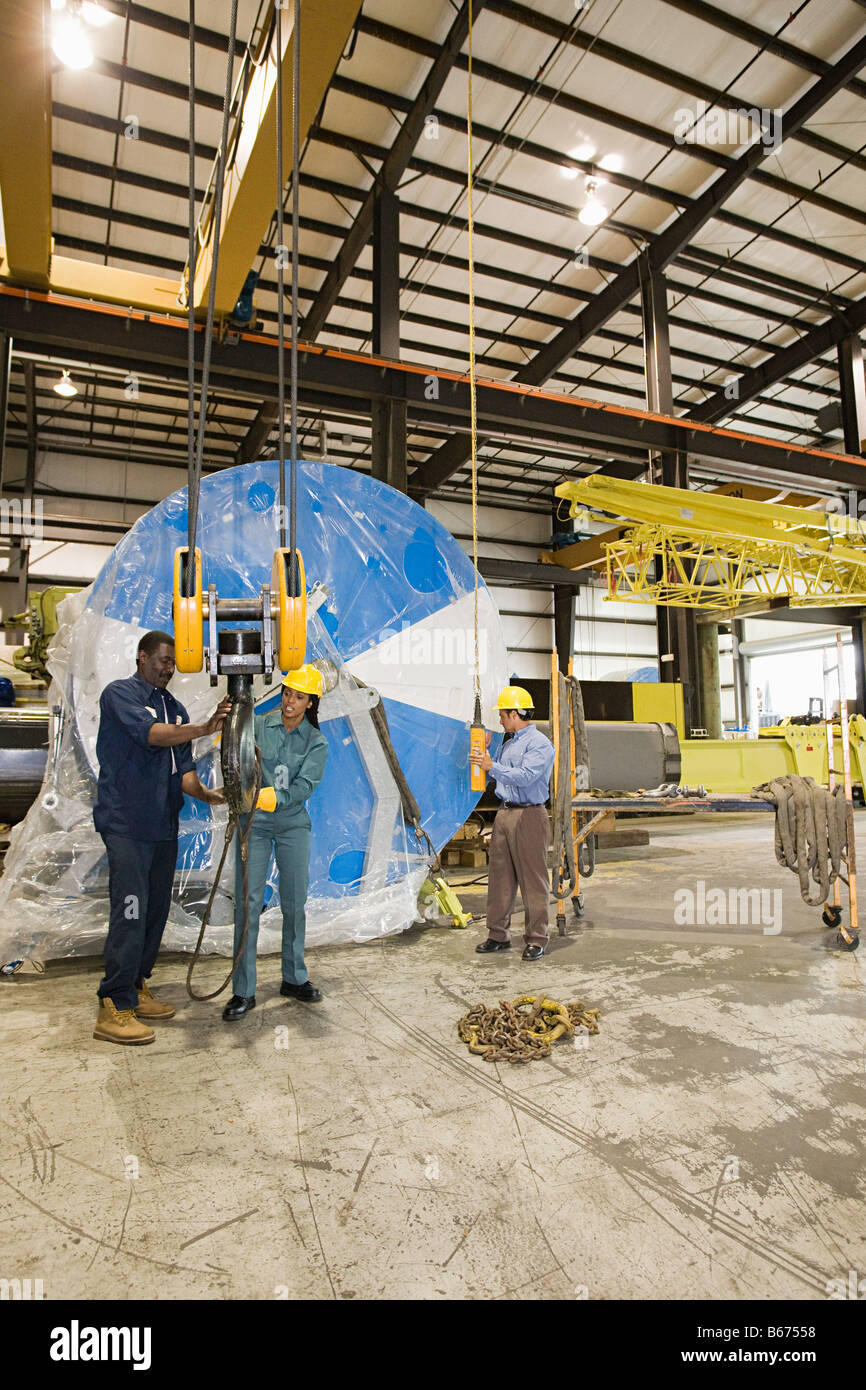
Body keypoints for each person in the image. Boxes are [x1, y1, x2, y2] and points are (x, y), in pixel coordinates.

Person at [93, 630, 230, 1045]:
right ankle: (112, 1005)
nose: (168, 669)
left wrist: (208, 795)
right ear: (142, 657)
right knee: (131, 911)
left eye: (173, 663)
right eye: (163, 661)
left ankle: (135, 987)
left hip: (161, 827)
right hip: (127, 825)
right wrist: (205, 728)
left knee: (153, 915)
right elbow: (153, 735)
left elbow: (184, 773)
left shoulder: (174, 707)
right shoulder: (121, 695)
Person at [222, 664, 328, 1020]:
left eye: (299, 697)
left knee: (294, 900)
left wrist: (277, 797)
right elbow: (237, 755)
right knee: (248, 903)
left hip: (292, 825)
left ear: (311, 703)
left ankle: (294, 977)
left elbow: (305, 786)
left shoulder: (317, 743)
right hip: (254, 823)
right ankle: (243, 990)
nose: (289, 702)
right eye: (287, 693)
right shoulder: (259, 724)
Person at [469, 685, 555, 961]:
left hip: (530, 815)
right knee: (500, 879)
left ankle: (537, 939)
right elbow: (502, 777)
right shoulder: (509, 742)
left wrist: (490, 766)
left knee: (533, 880)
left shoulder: (540, 744)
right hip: (505, 814)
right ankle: (497, 935)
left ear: (516, 713)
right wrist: (482, 765)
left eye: (503, 714)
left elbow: (526, 776)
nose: (501, 719)